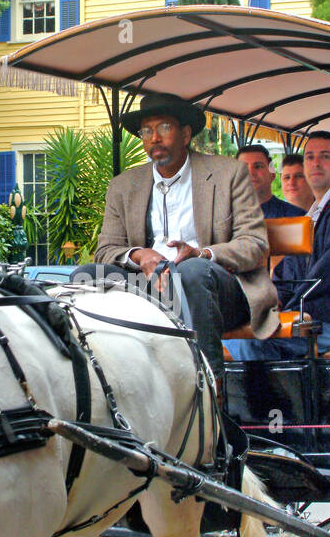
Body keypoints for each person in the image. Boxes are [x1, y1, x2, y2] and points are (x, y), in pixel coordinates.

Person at [73, 92, 278, 393]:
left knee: (192, 272)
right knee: (87, 277)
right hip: (150, 286)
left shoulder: (228, 174)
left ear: (185, 134)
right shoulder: (123, 186)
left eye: (164, 128)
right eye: (146, 131)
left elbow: (255, 245)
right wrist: (140, 255)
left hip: (216, 288)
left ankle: (209, 392)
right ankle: (111, 387)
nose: (154, 138)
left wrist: (203, 253)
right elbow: (106, 250)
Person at [226, 131, 330, 359]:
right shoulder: (317, 210)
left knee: (256, 343)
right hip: (323, 310)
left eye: (325, 156)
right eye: (309, 157)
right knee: (229, 331)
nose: (315, 163)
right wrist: (271, 297)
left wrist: (289, 305)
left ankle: (276, 396)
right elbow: (291, 269)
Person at [236, 143, 305, 219]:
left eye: (258, 166)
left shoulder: (297, 217)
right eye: (244, 167)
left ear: (272, 174)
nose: (251, 173)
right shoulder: (225, 218)